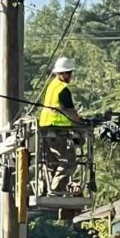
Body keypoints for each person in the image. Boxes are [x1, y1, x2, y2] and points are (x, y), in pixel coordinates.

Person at [37, 56, 87, 196]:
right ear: (62, 73)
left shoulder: (52, 85)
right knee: (68, 161)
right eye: (69, 73)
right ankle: (56, 190)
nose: (71, 75)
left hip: (46, 129)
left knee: (51, 163)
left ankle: (45, 190)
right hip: (56, 130)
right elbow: (69, 111)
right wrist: (80, 123)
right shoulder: (63, 89)